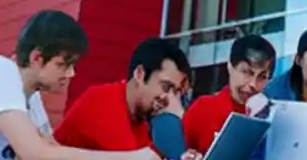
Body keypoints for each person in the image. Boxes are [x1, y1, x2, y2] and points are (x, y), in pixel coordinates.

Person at [0, 9, 157, 160]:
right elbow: (36, 153)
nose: (71, 73)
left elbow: (51, 150)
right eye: (65, 64)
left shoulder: (32, 102)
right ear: (36, 57)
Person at [55, 37, 200, 159]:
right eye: (166, 87)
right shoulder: (103, 104)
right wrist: (176, 121)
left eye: (176, 93)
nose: (170, 100)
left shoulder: (141, 122)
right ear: (140, 74)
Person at [182, 35, 276, 153]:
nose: (253, 84)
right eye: (247, 72)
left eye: (262, 77)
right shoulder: (203, 108)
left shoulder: (272, 117)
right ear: (230, 66)